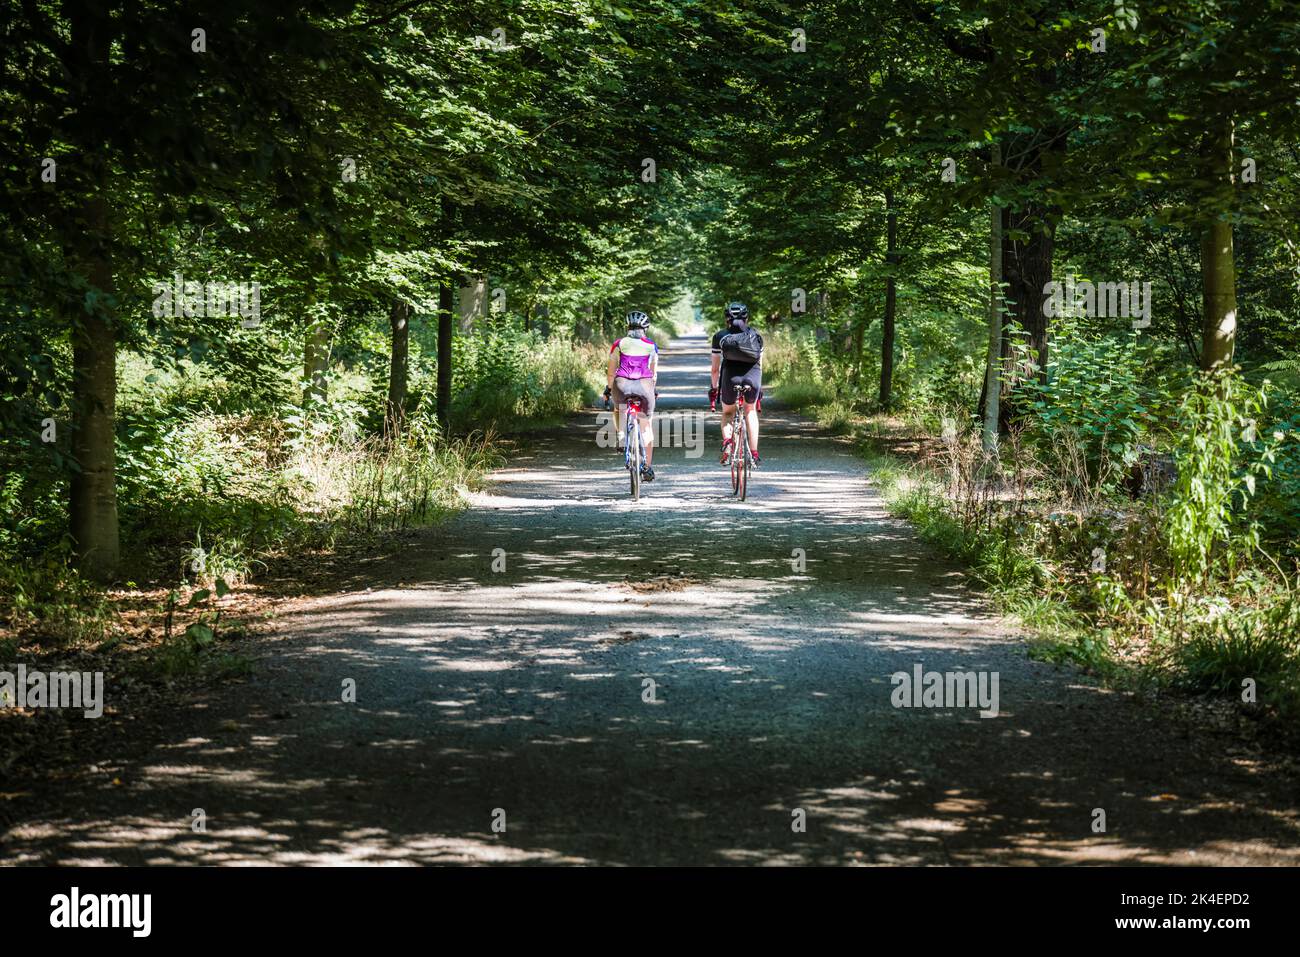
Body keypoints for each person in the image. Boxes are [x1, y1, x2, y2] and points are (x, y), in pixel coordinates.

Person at [605, 311, 658, 481]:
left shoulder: (618, 344)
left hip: (622, 385)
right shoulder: (651, 346)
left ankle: (621, 434)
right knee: (646, 426)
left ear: (627, 327)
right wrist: (652, 390)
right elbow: (653, 374)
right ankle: (648, 468)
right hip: (644, 386)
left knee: (619, 407)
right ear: (646, 328)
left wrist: (608, 389)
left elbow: (611, 373)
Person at [709, 301, 762, 466]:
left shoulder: (720, 337)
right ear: (747, 318)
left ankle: (728, 443)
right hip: (753, 377)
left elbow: (715, 369)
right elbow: (761, 365)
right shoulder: (757, 336)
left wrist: (714, 388)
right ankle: (754, 453)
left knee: (727, 413)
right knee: (750, 411)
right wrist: (758, 389)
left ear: (727, 318)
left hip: (730, 378)